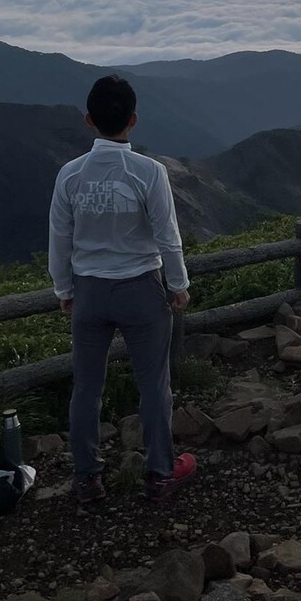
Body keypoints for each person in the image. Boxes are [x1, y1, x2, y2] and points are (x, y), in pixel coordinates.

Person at [49, 74, 197, 505]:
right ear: (133, 120)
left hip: (89, 292)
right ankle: (160, 473)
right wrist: (179, 284)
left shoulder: (69, 175)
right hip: (140, 290)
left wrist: (64, 288)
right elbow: (168, 235)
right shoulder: (150, 172)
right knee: (153, 385)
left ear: (89, 120)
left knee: (86, 388)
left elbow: (60, 238)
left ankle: (86, 477)